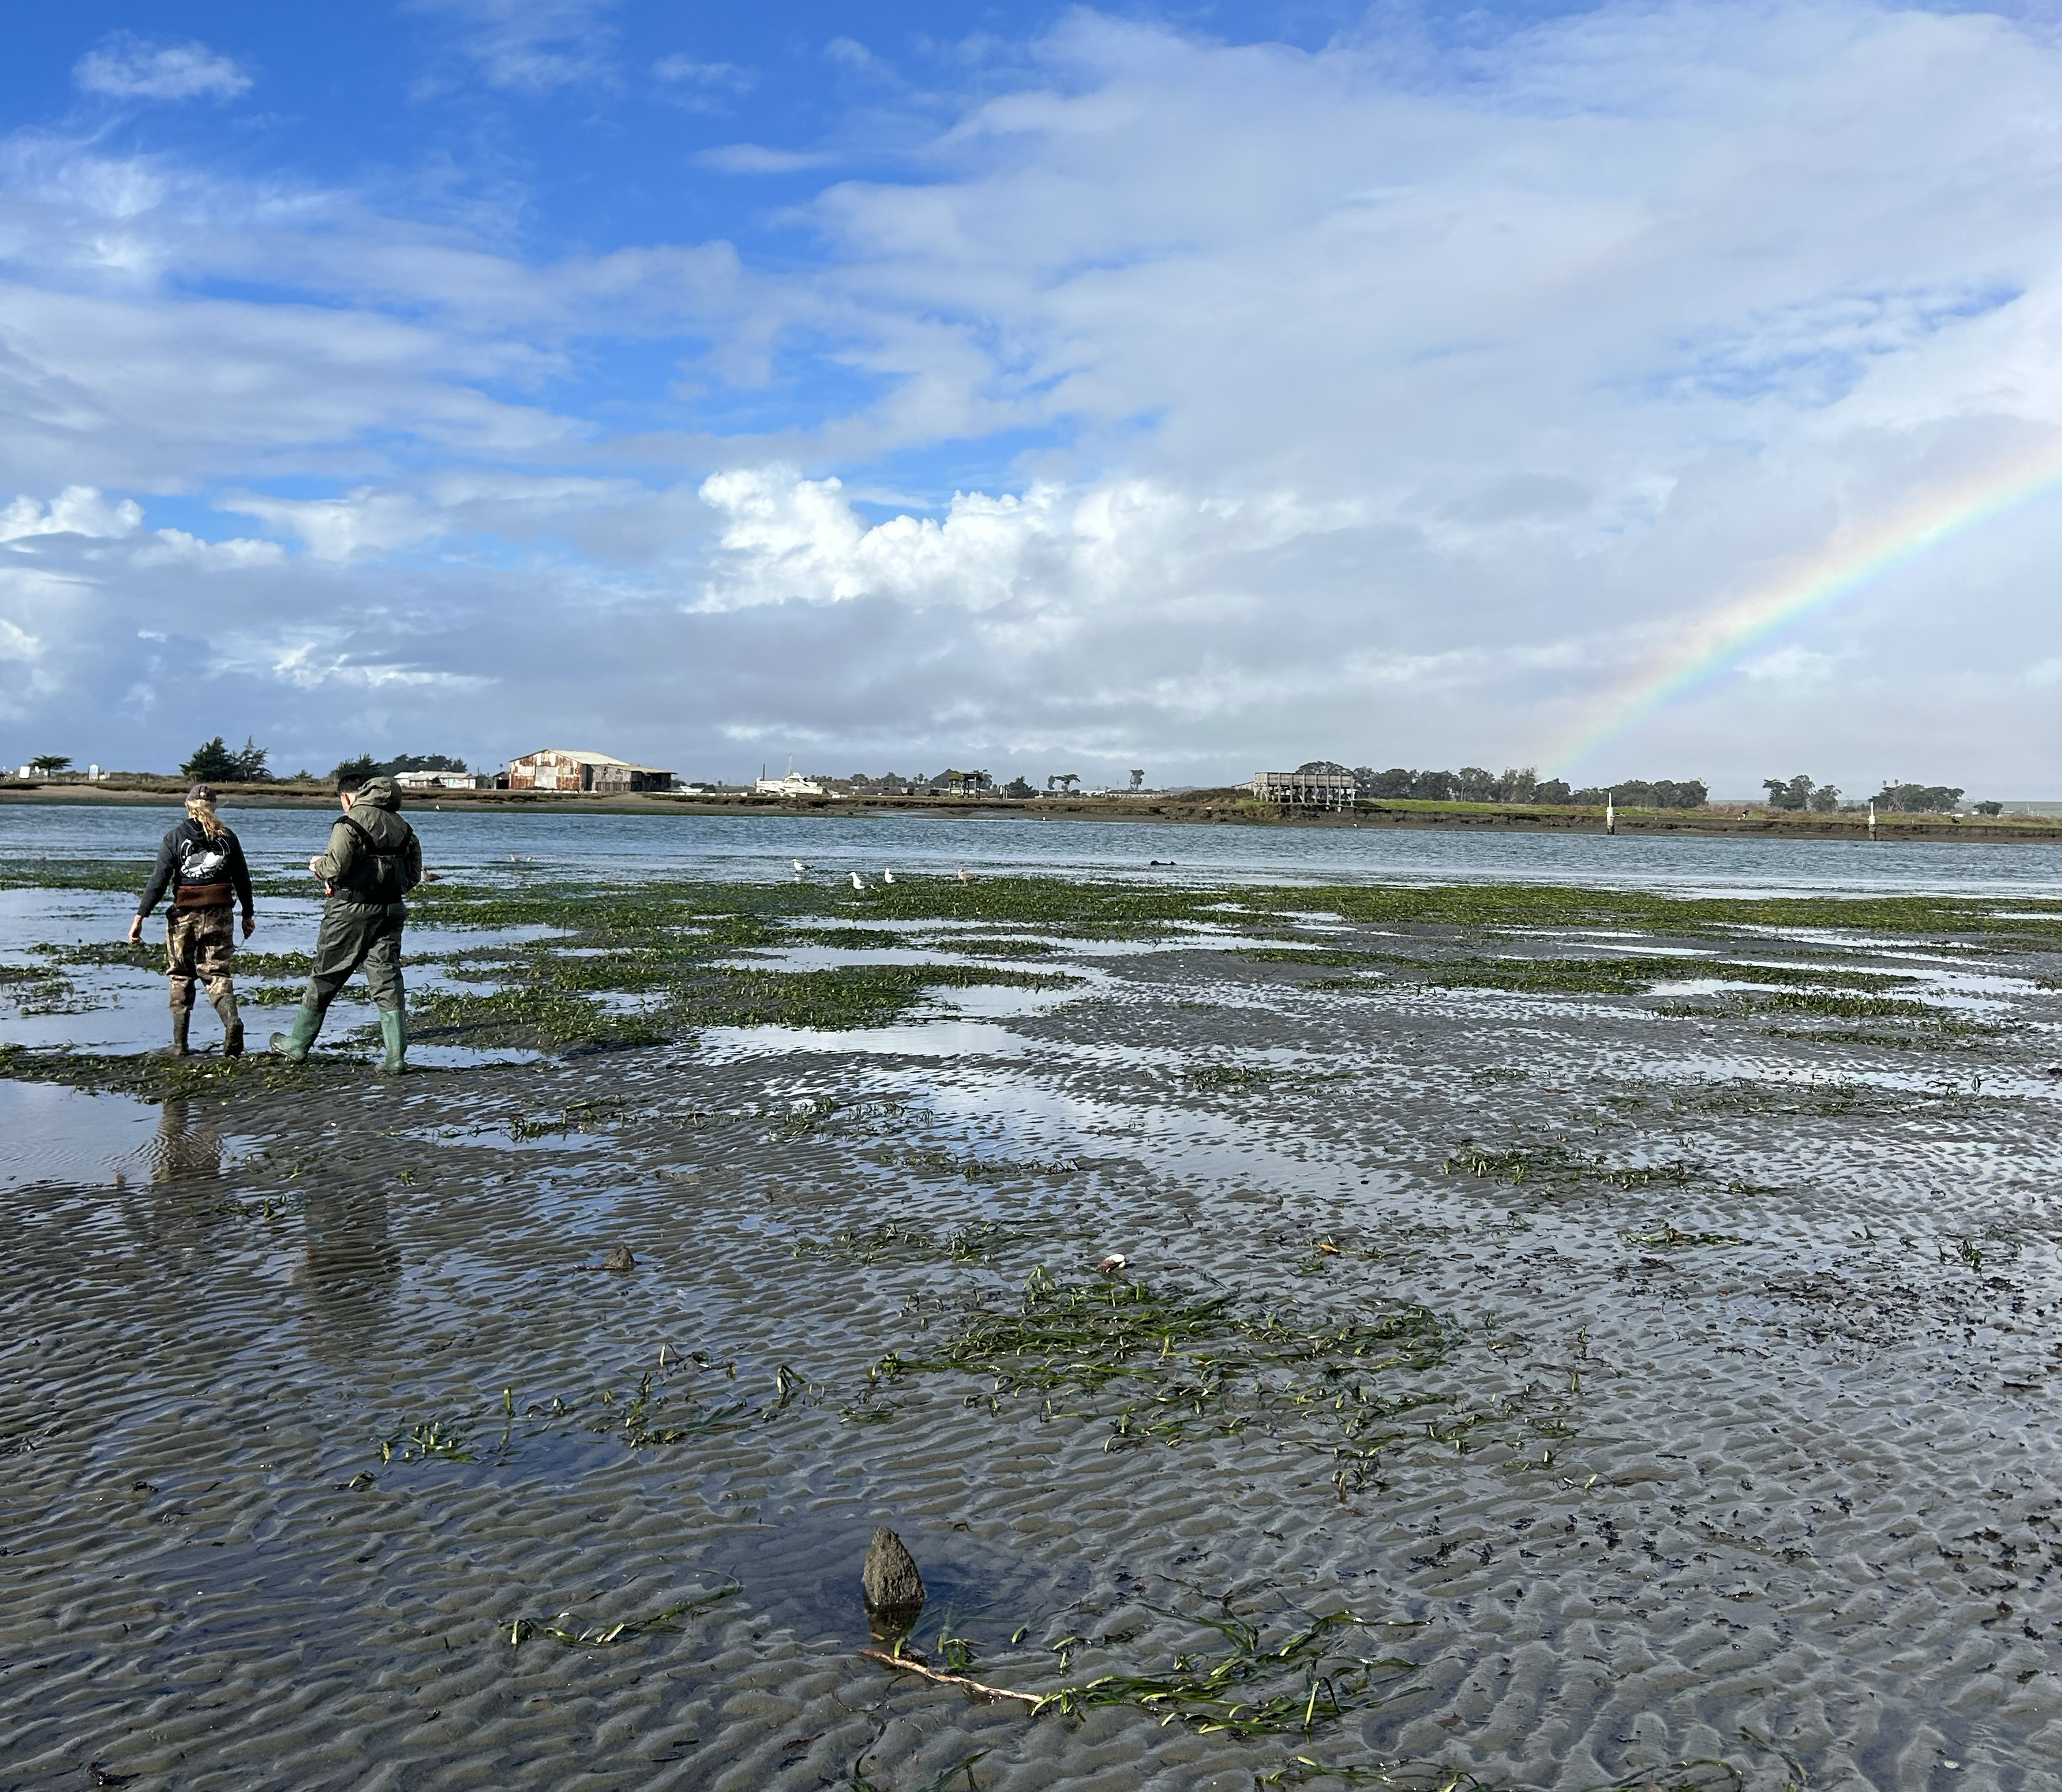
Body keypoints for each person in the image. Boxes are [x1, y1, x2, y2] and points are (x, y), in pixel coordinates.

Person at [269, 771, 423, 1071]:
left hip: (350, 910)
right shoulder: (405, 827)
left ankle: (297, 1045)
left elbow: (336, 866)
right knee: (387, 978)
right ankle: (396, 1057)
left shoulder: (349, 822)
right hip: (391, 910)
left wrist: (318, 865)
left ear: (347, 796)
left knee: (326, 975)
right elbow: (413, 876)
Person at [128, 783, 256, 1057]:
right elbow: (243, 880)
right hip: (221, 914)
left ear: (187, 807)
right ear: (214, 807)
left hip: (185, 916)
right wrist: (248, 914)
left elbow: (159, 881)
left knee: (181, 975)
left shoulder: (174, 838)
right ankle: (232, 1022)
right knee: (217, 973)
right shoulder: (229, 838)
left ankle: (180, 1045)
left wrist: (141, 916)